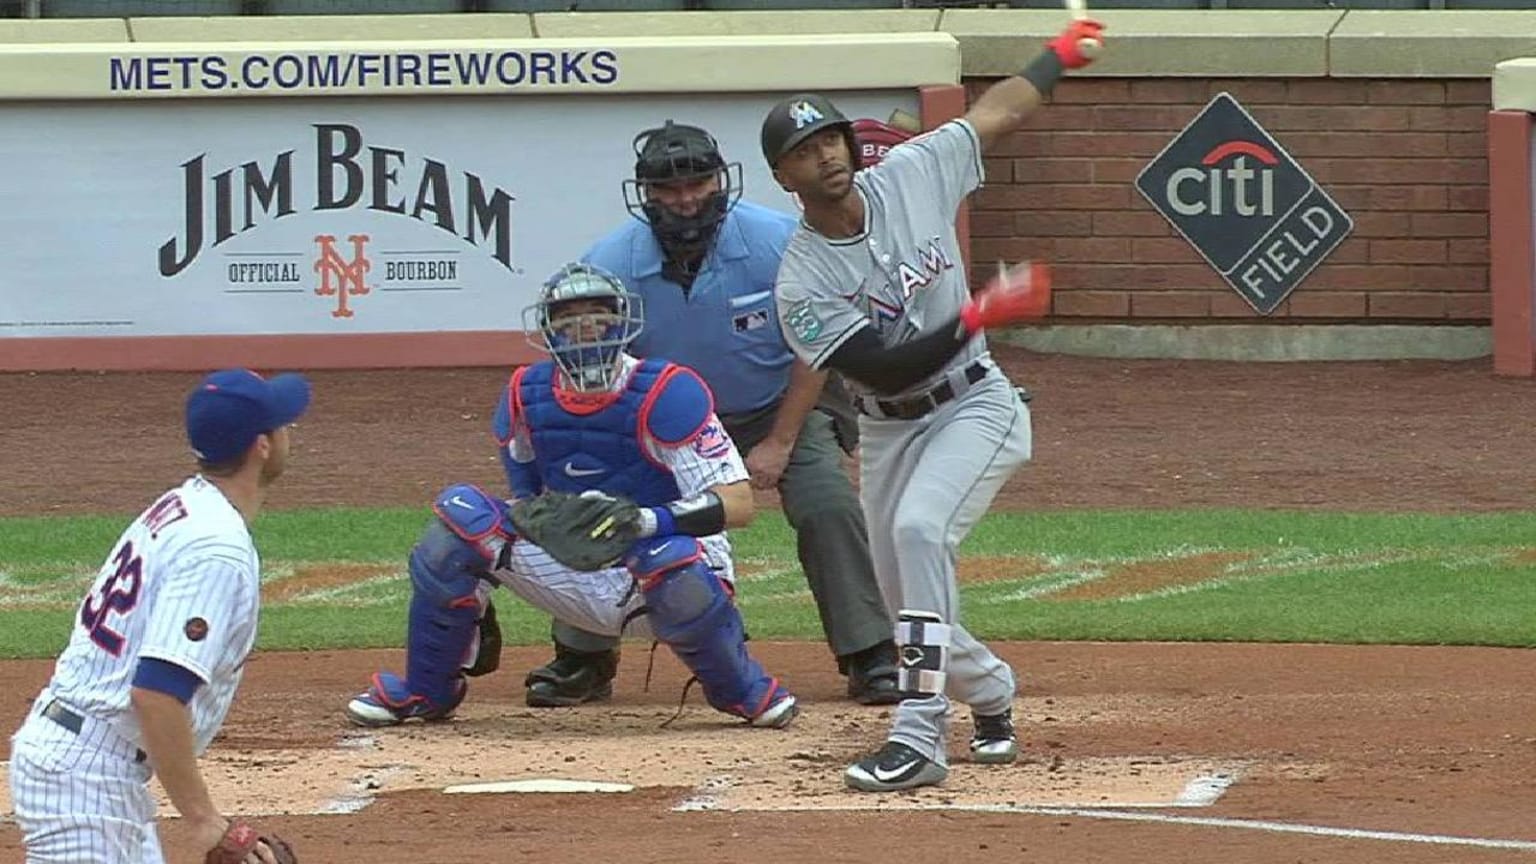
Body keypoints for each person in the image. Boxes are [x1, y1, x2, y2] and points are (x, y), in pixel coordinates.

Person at [757, 18, 1105, 792]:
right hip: (888, 431)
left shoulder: (914, 170)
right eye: (805, 152)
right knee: (902, 596)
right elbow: (883, 371)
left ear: (851, 145)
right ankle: (989, 691)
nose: (826, 158)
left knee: (920, 533)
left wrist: (1059, 54)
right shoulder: (800, 281)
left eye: (832, 141)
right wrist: (983, 309)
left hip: (977, 405)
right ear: (784, 178)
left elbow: (998, 112)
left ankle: (918, 739)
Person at [514, 118, 900, 710]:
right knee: (603, 505)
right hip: (665, 420)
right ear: (645, 194)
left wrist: (780, 441)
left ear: (721, 180)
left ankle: (869, 652)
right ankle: (582, 657)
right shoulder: (610, 261)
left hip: (777, 402)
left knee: (826, 503)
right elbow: (590, 357)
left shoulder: (780, 242)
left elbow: (816, 346)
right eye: (668, 190)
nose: (686, 199)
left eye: (698, 183)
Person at [345, 261, 798, 731]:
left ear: (623, 321)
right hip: (576, 562)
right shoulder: (526, 393)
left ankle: (745, 691)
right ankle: (426, 690)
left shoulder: (667, 391)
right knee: (458, 518)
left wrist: (640, 522)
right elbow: (524, 496)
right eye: (569, 316)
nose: (585, 327)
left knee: (670, 558)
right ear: (548, 328)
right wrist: (540, 519)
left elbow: (739, 504)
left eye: (599, 313)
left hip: (667, 569)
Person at [7, 368, 310, 862]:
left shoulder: (183, 504)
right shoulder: (217, 547)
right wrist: (206, 821)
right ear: (262, 446)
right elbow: (156, 691)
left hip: (89, 763)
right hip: (88, 776)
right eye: (282, 425)